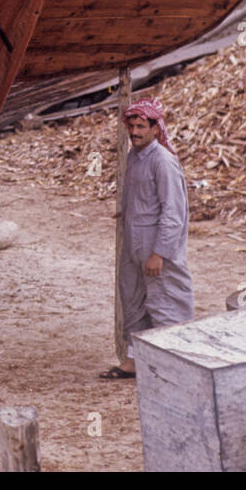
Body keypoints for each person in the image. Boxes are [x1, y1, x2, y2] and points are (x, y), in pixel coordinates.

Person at [100, 97, 193, 380]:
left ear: (156, 128)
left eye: (141, 126)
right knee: (134, 300)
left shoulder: (163, 161)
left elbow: (173, 213)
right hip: (134, 243)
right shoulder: (134, 156)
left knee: (166, 301)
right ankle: (135, 361)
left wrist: (159, 253)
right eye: (131, 126)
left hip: (156, 245)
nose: (135, 132)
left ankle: (176, 366)